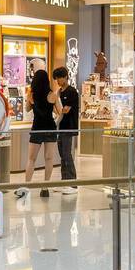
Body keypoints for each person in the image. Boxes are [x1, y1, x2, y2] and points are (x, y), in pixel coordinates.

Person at [17, 68, 58, 200]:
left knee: (31, 159)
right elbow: (59, 111)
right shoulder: (52, 95)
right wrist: (56, 121)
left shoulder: (32, 95)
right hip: (50, 128)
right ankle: (45, 188)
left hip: (37, 128)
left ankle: (26, 187)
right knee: (49, 158)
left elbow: (27, 109)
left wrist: (29, 99)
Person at [53, 66, 79, 195]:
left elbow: (65, 110)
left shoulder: (72, 92)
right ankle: (64, 182)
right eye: (56, 78)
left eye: (59, 78)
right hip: (60, 127)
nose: (57, 80)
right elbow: (57, 109)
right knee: (62, 155)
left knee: (67, 154)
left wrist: (58, 109)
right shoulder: (59, 92)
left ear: (65, 77)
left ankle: (72, 183)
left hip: (68, 127)